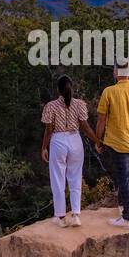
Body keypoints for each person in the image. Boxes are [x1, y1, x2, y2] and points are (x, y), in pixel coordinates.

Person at [95, 59, 129, 229]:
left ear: (116, 72)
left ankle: (127, 218)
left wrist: (98, 140)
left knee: (123, 179)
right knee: (122, 176)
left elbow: (101, 121)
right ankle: (121, 208)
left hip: (116, 143)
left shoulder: (109, 92)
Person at [41, 76, 97, 227]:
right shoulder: (79, 104)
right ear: (71, 87)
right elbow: (85, 127)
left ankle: (60, 217)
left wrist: (44, 147)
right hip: (75, 139)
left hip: (58, 140)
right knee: (75, 177)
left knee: (58, 179)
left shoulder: (51, 106)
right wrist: (97, 140)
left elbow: (48, 130)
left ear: (58, 89)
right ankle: (76, 215)